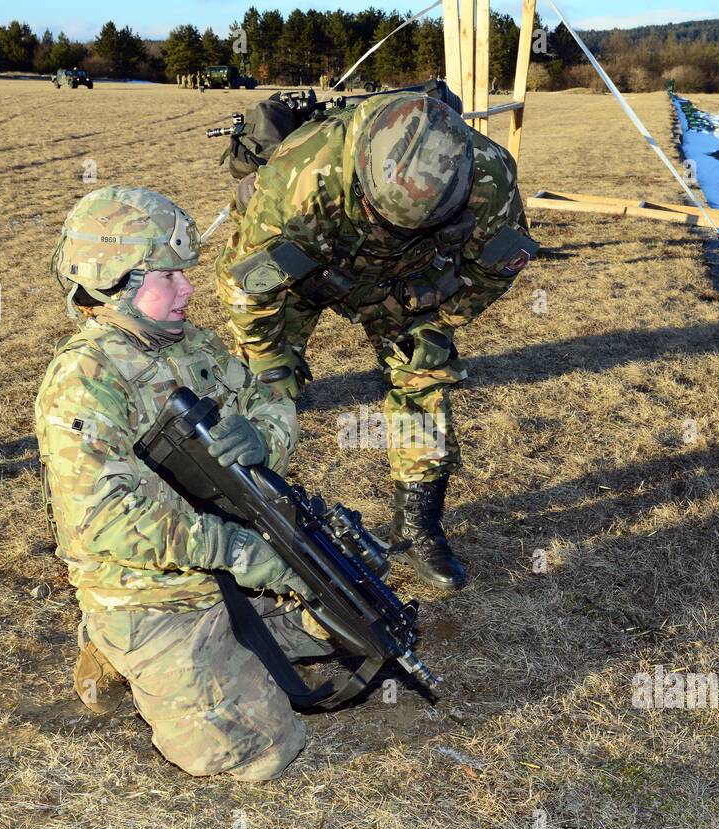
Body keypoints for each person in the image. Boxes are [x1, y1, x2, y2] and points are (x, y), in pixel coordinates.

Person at [34, 185, 330, 781]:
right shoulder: (84, 379)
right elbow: (108, 520)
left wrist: (262, 437)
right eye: (167, 275)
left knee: (344, 629)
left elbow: (269, 399)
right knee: (258, 751)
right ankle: (114, 639)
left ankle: (219, 640)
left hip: (237, 559)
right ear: (113, 278)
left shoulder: (190, 342)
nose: (188, 288)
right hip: (151, 590)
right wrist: (239, 551)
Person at [215, 91, 537, 591]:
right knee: (263, 385)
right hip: (305, 269)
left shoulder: (488, 176)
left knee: (423, 374)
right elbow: (248, 289)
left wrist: (442, 318)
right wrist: (265, 355)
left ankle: (417, 529)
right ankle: (246, 518)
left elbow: (495, 270)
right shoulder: (300, 180)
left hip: (405, 281)